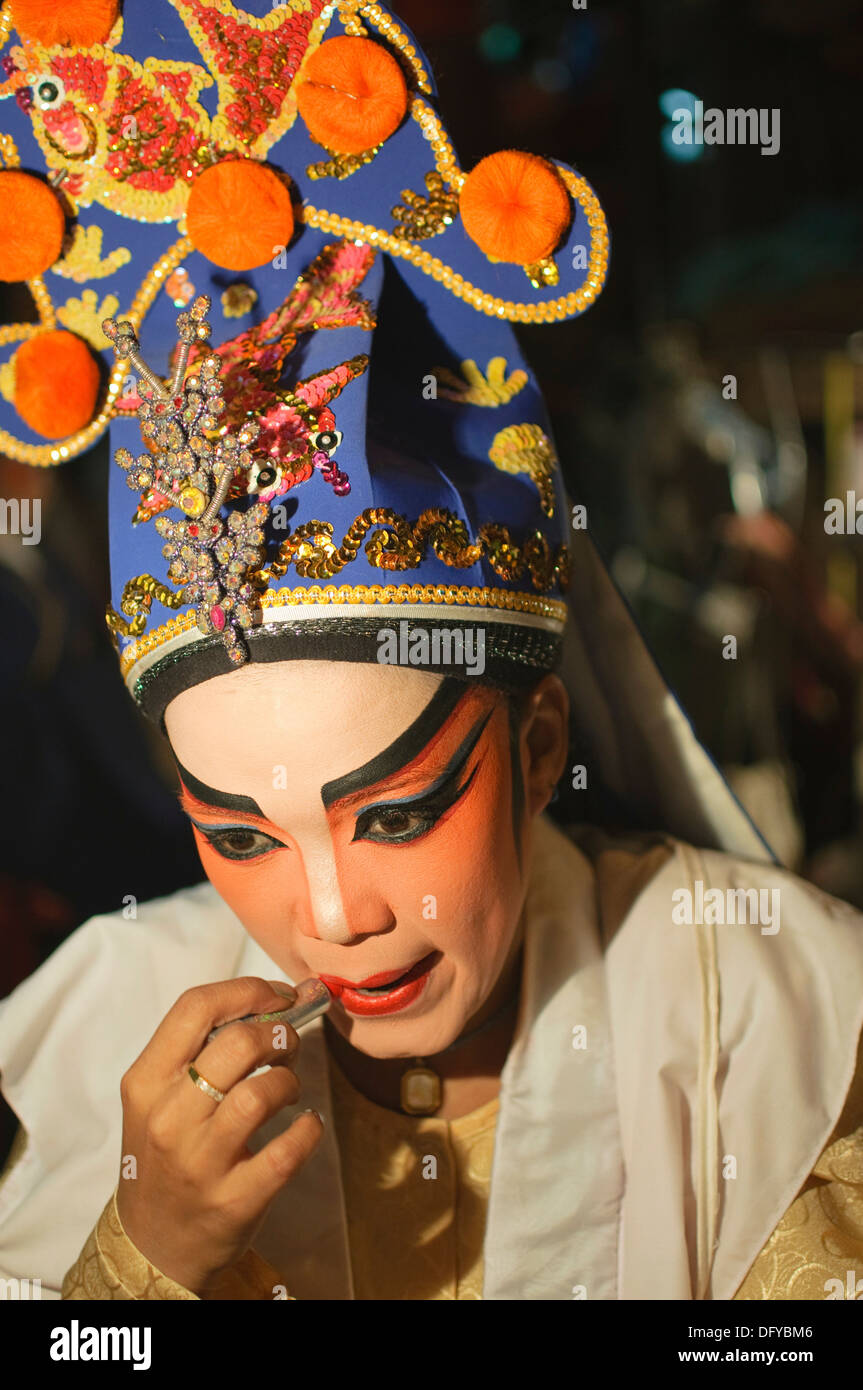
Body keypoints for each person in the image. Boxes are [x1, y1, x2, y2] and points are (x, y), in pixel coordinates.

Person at [1, 0, 862, 1302]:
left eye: (396, 809)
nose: (333, 915)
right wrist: (141, 1256)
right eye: (240, 835)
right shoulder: (89, 1032)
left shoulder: (777, 1020)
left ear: (539, 747)